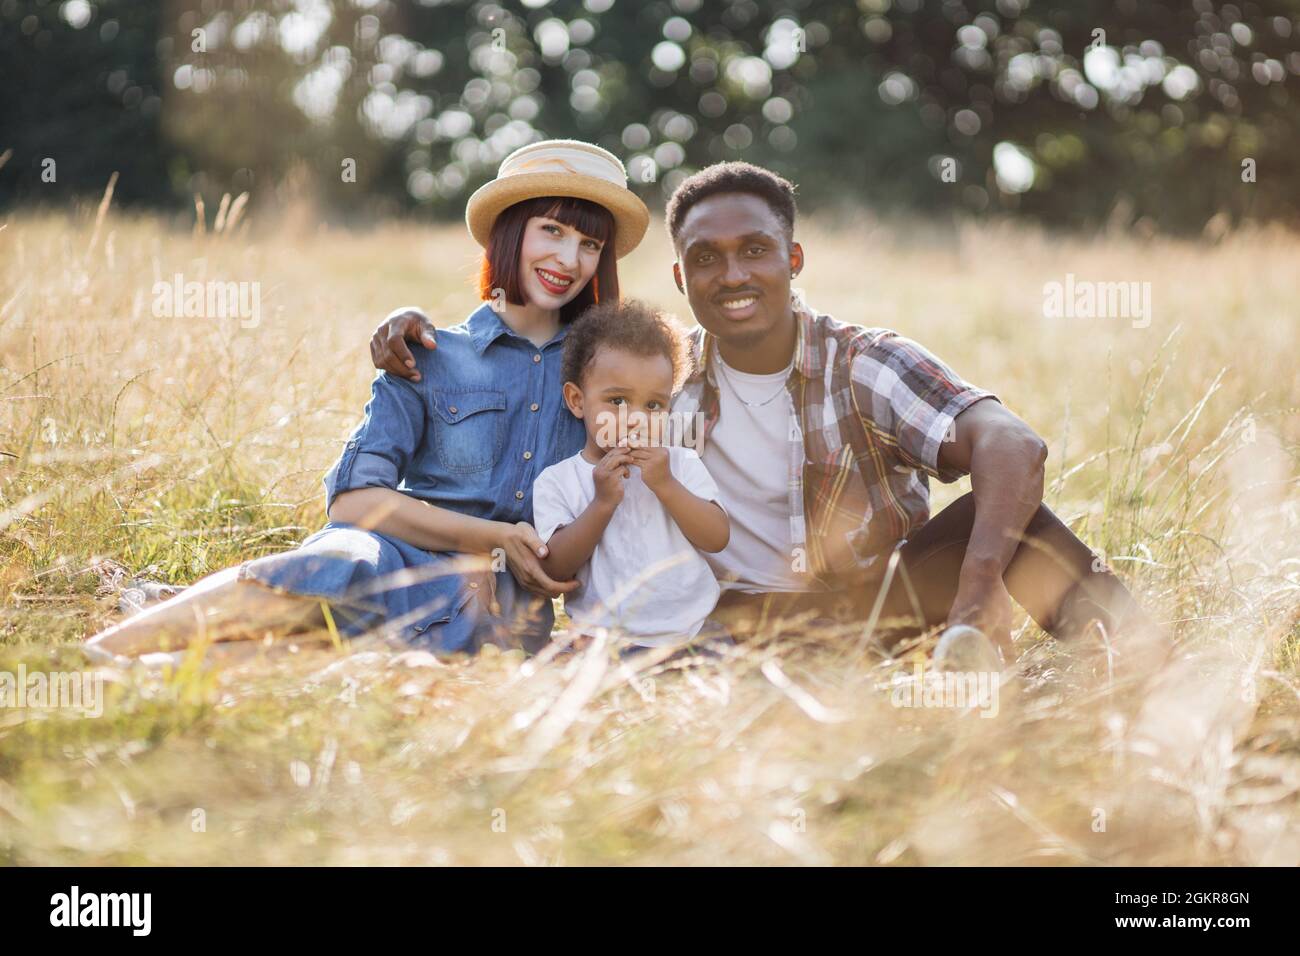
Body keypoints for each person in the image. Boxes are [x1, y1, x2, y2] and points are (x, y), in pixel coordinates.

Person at [371, 161, 1170, 677]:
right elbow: (549, 384)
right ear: (682, 280)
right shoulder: (664, 386)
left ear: (792, 260)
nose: (735, 275)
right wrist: (426, 333)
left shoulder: (863, 362)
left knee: (1030, 523)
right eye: (709, 261)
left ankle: (1152, 675)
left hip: (877, 603)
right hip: (728, 624)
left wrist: (975, 595)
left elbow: (1012, 446)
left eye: (756, 250)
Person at [86, 139, 650, 660]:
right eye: (551, 230)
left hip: (493, 609)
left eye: (589, 244)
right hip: (390, 554)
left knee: (339, 659)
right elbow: (353, 502)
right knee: (341, 564)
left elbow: (668, 384)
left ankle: (147, 663)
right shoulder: (428, 353)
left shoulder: (605, 377)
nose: (569, 259)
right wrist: (490, 538)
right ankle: (106, 653)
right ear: (510, 232)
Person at [532, 299, 729, 650]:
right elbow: (557, 568)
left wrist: (666, 485)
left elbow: (716, 537)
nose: (636, 418)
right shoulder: (558, 481)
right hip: (603, 641)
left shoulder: (680, 463)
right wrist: (603, 503)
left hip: (691, 632)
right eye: (618, 401)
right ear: (577, 400)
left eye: (653, 405)